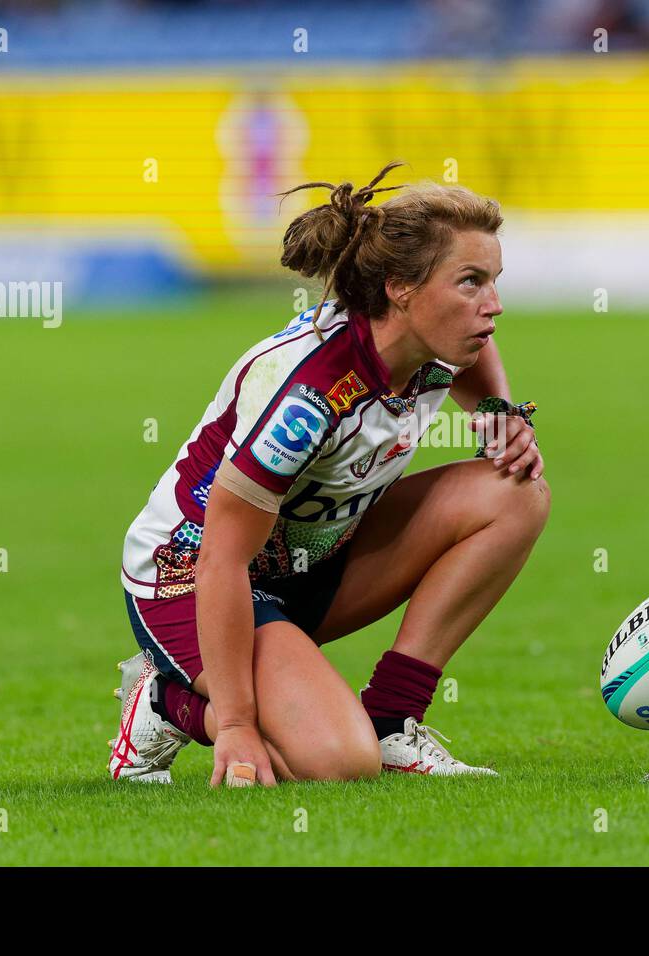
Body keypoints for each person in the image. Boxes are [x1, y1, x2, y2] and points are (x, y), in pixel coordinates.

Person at [110, 161, 550, 787]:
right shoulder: (308, 396)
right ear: (401, 287)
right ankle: (165, 705)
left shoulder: (431, 336)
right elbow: (221, 560)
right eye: (471, 282)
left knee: (515, 493)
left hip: (306, 562)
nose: (494, 307)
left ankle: (393, 721)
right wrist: (233, 725)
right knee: (338, 763)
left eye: (494, 281)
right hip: (190, 580)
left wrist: (498, 412)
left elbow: (478, 349)